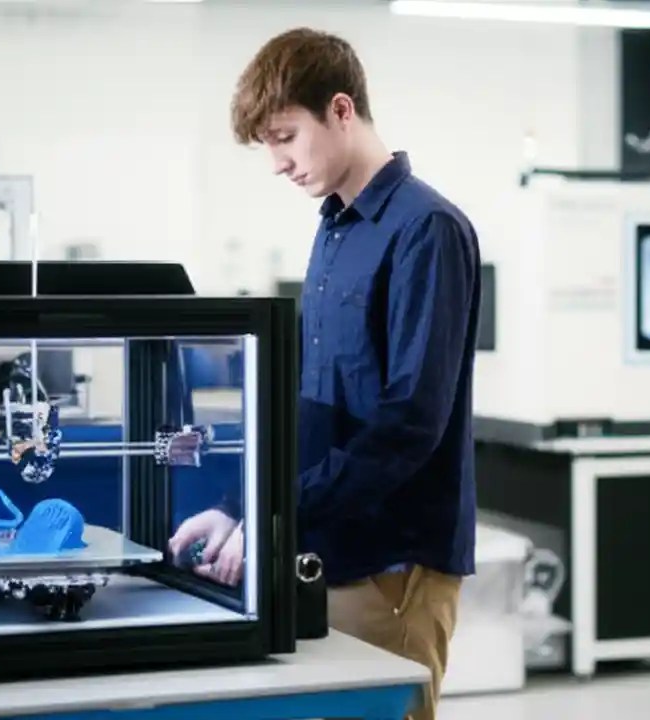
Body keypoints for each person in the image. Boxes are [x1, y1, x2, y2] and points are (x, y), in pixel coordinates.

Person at [168, 27, 481, 720]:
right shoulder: (334, 228)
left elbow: (408, 424)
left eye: (285, 136)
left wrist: (276, 516)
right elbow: (308, 406)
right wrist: (238, 504)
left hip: (391, 568)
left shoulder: (428, 230)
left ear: (341, 110)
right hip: (330, 553)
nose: (278, 163)